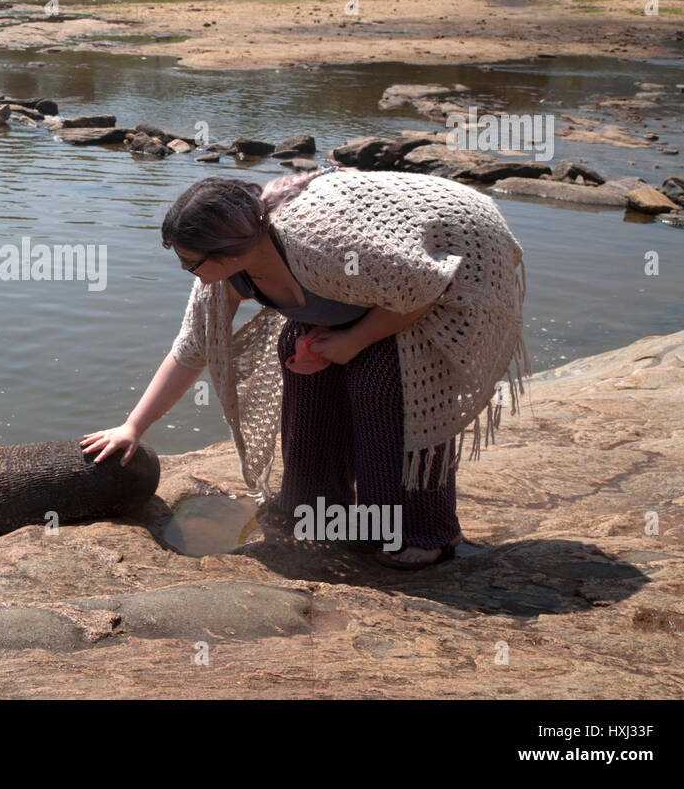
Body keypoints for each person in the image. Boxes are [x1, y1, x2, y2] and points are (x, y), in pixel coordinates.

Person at [80, 166, 530, 570]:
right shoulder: (229, 273)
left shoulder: (321, 245)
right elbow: (191, 347)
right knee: (298, 350)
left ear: (228, 252)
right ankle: (314, 505)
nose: (185, 269)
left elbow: (427, 286)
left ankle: (425, 528)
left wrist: (352, 342)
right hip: (373, 283)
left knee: (384, 381)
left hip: (451, 258)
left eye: (189, 261)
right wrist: (132, 427)